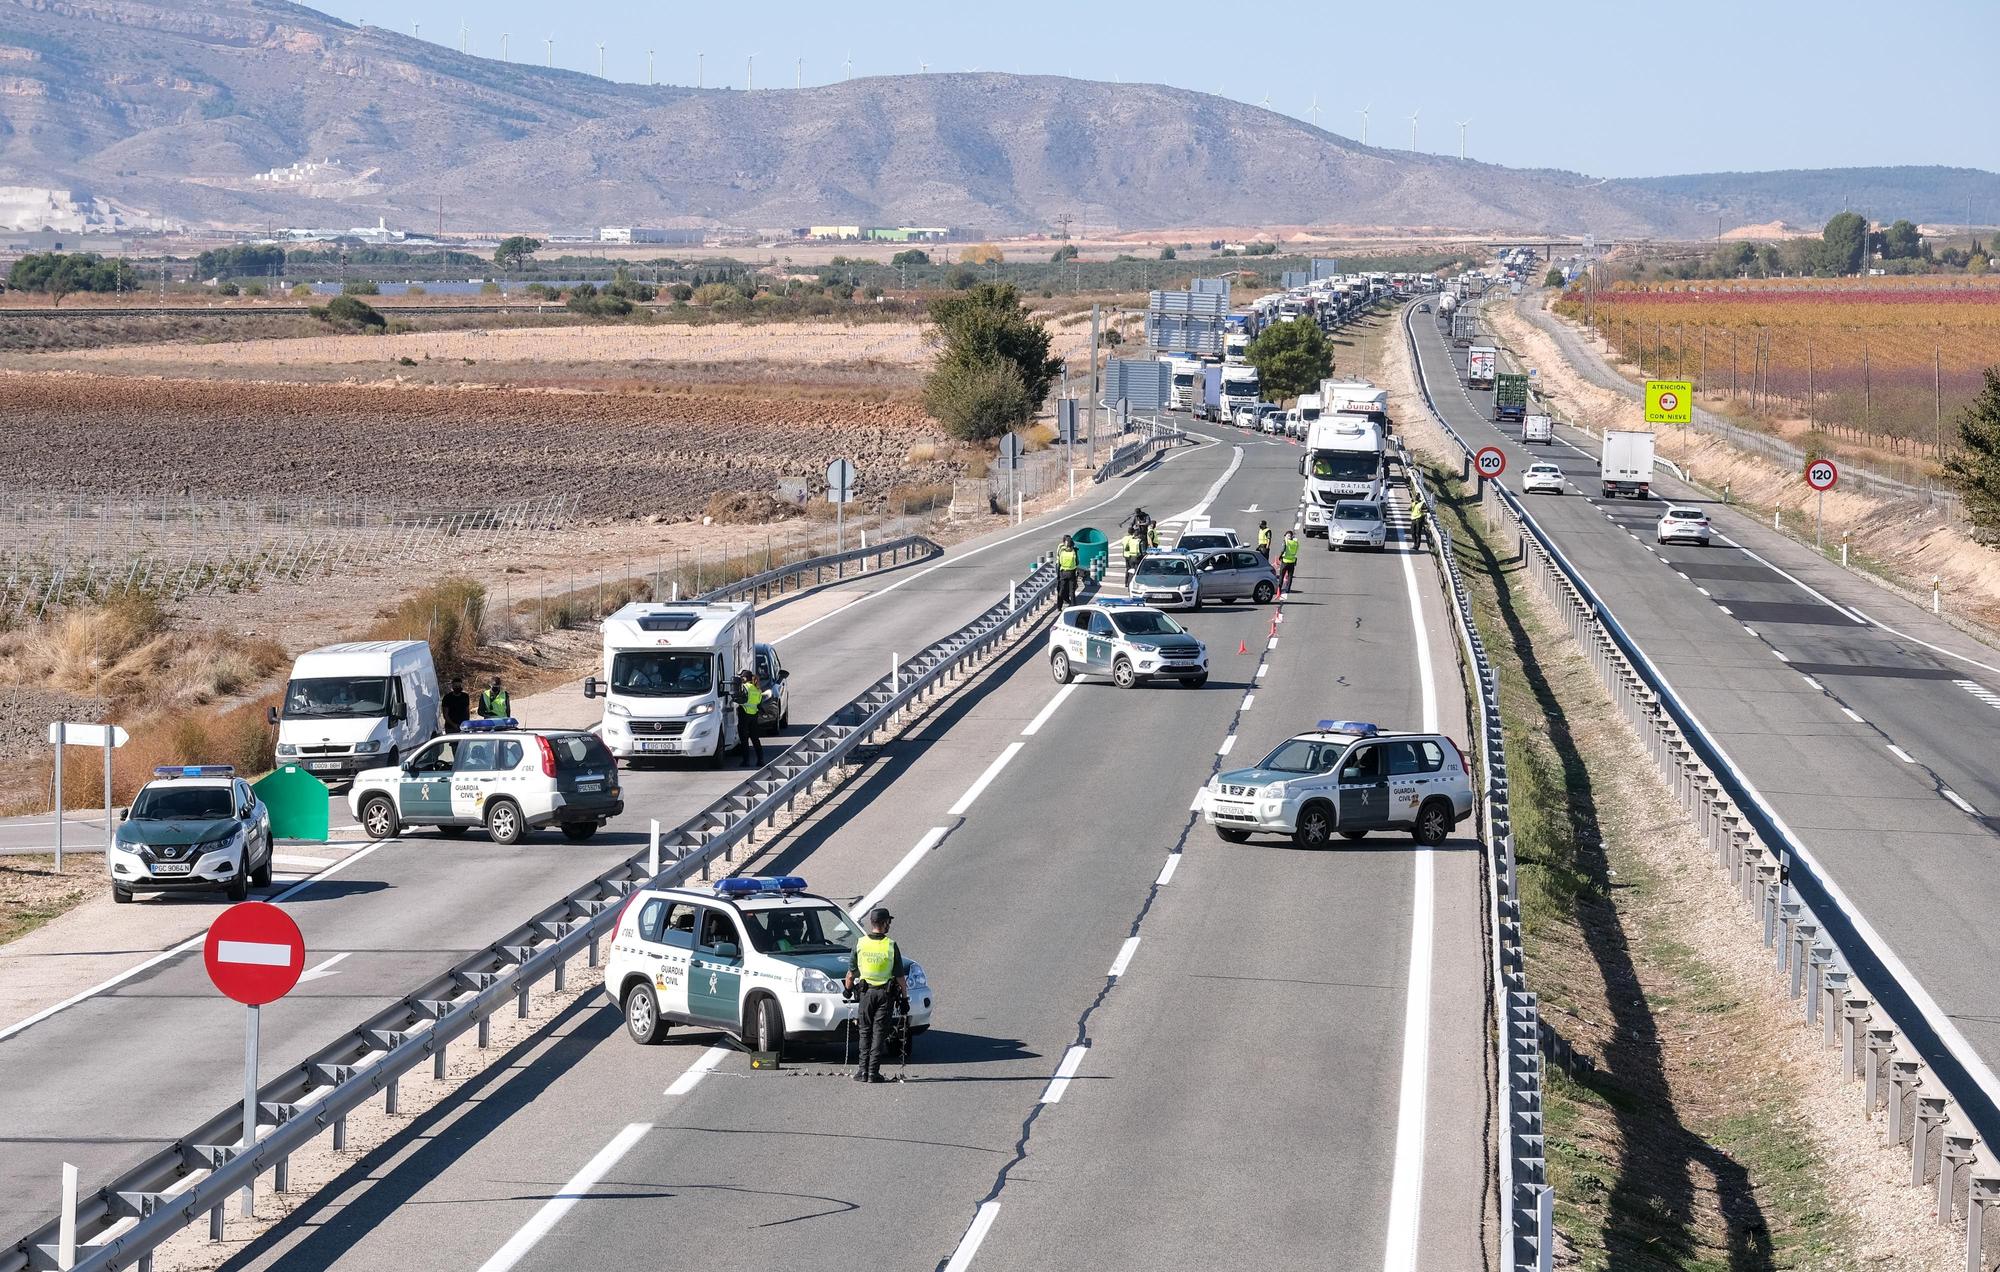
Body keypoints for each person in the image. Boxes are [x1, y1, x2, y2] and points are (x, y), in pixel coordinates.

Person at [844, 906, 907, 1083]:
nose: (889, 925)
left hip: (865, 994)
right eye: (889, 922)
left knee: (865, 1032)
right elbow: (900, 977)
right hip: (885, 996)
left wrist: (848, 990)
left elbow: (851, 973)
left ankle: (862, 1071)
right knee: (879, 1033)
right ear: (884, 923)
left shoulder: (861, 943)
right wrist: (904, 998)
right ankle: (873, 1072)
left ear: (872, 923)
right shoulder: (891, 945)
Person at [732, 667, 765, 766]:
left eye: (742, 677)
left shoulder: (745, 687)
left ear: (745, 678)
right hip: (754, 716)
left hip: (744, 714)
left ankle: (746, 761)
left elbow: (738, 698)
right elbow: (759, 703)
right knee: (755, 739)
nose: (741, 679)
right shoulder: (757, 689)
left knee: (744, 739)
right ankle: (760, 760)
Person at [1056, 535, 1079, 607]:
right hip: (1072, 572)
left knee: (1061, 589)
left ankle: (1059, 606)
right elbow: (1077, 562)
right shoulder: (1074, 551)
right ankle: (1073, 606)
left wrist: (1058, 574)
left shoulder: (1061, 550)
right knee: (1072, 591)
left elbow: (1059, 562)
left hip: (1063, 572)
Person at [1278, 530, 1300, 594]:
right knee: (1290, 577)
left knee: (1281, 576)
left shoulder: (1286, 542)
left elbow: (1283, 550)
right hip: (1292, 561)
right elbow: (1296, 551)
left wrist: (1280, 556)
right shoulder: (1296, 543)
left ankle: (1279, 589)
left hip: (1285, 561)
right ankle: (1288, 589)